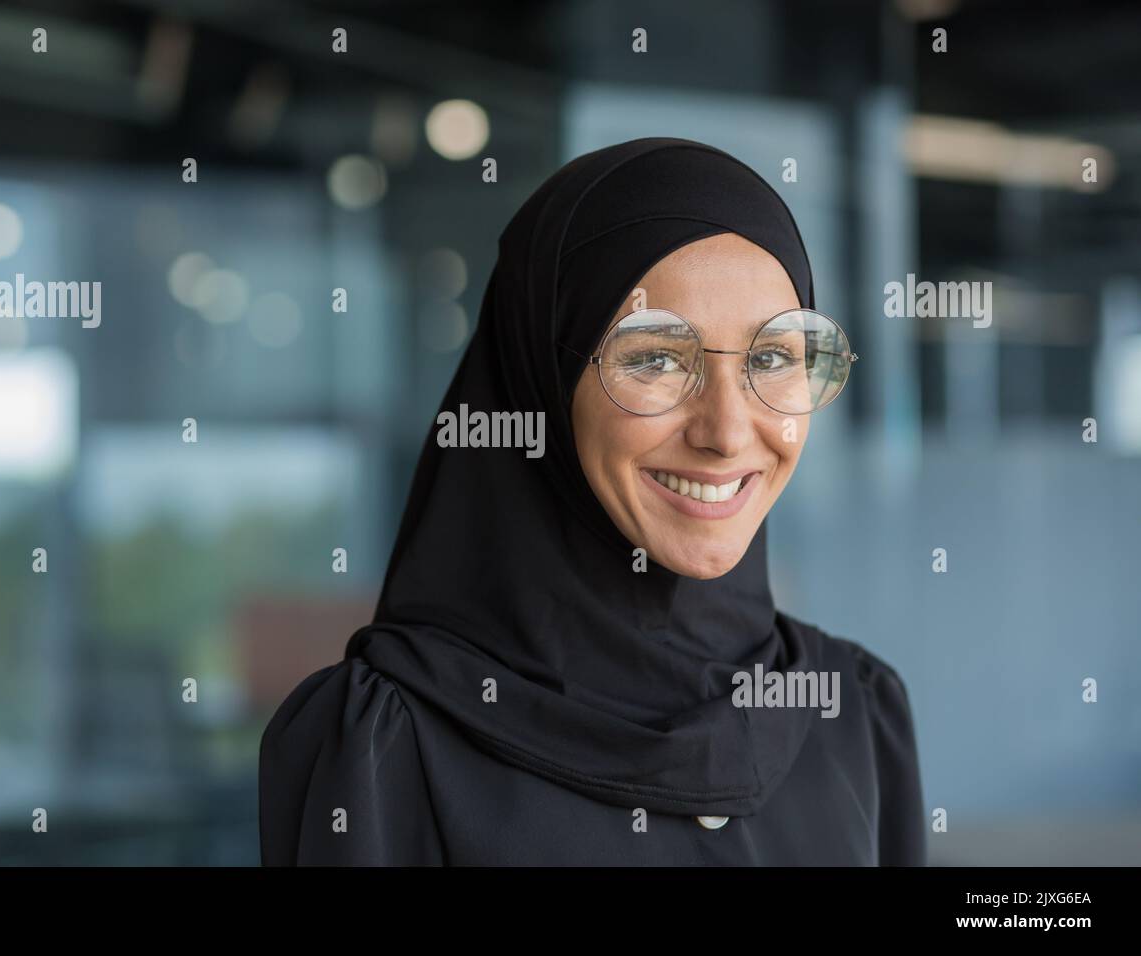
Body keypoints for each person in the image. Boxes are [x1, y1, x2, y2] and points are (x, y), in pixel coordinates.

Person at [258, 136, 926, 866]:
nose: (729, 433)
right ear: (539, 383)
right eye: (656, 358)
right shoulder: (389, 744)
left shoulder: (851, 712)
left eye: (772, 358)